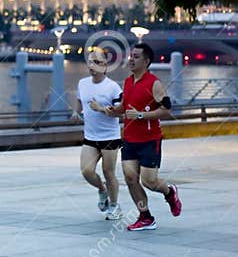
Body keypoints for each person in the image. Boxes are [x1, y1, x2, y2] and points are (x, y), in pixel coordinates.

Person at [91, 42, 182, 231]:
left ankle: (169, 192)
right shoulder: (128, 82)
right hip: (130, 139)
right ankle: (145, 217)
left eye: (136, 56)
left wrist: (141, 115)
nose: (131, 59)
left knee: (149, 181)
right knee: (131, 179)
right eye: (131, 55)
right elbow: (123, 108)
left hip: (150, 140)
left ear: (147, 61)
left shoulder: (154, 83)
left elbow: (167, 109)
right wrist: (105, 109)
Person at [73, 48, 123, 220]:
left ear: (105, 66)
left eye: (96, 62)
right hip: (91, 137)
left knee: (109, 172)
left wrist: (101, 109)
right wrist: (76, 112)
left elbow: (120, 112)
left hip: (110, 137)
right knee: (86, 171)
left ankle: (115, 206)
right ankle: (102, 190)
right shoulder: (83, 83)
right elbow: (80, 99)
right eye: (90, 62)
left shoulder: (113, 87)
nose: (92, 66)